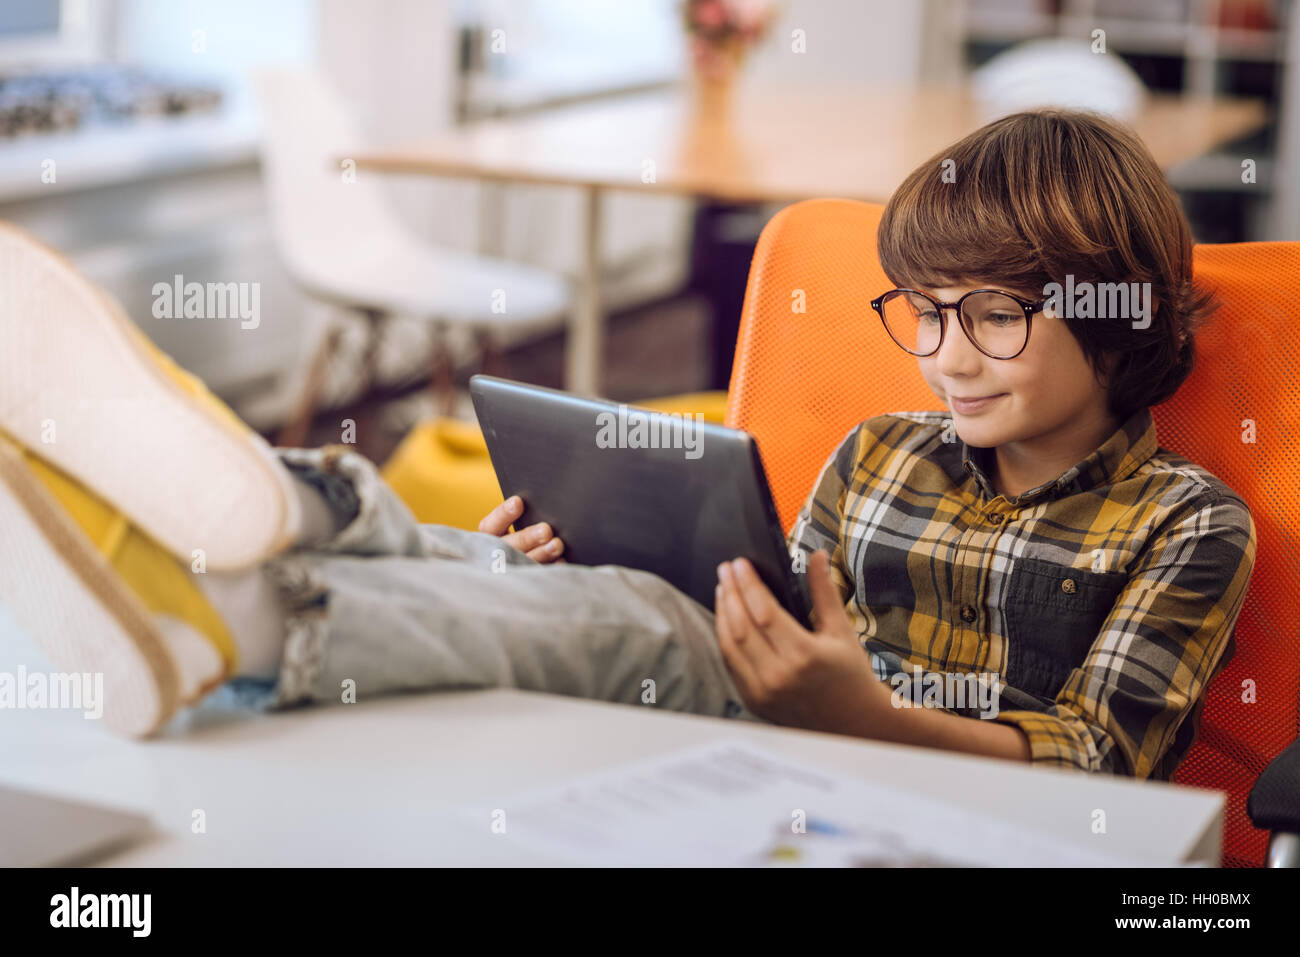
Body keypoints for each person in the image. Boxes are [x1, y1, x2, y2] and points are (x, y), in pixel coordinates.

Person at [0, 108, 1255, 780]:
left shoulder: (1187, 524)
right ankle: (267, 526)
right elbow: (769, 602)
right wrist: (585, 560)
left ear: (1117, 306)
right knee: (544, 582)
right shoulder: (885, 450)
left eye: (992, 315)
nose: (945, 355)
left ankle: (239, 599)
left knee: (645, 631)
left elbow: (1101, 767)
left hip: (904, 775)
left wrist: (855, 709)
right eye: (920, 315)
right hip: (761, 718)